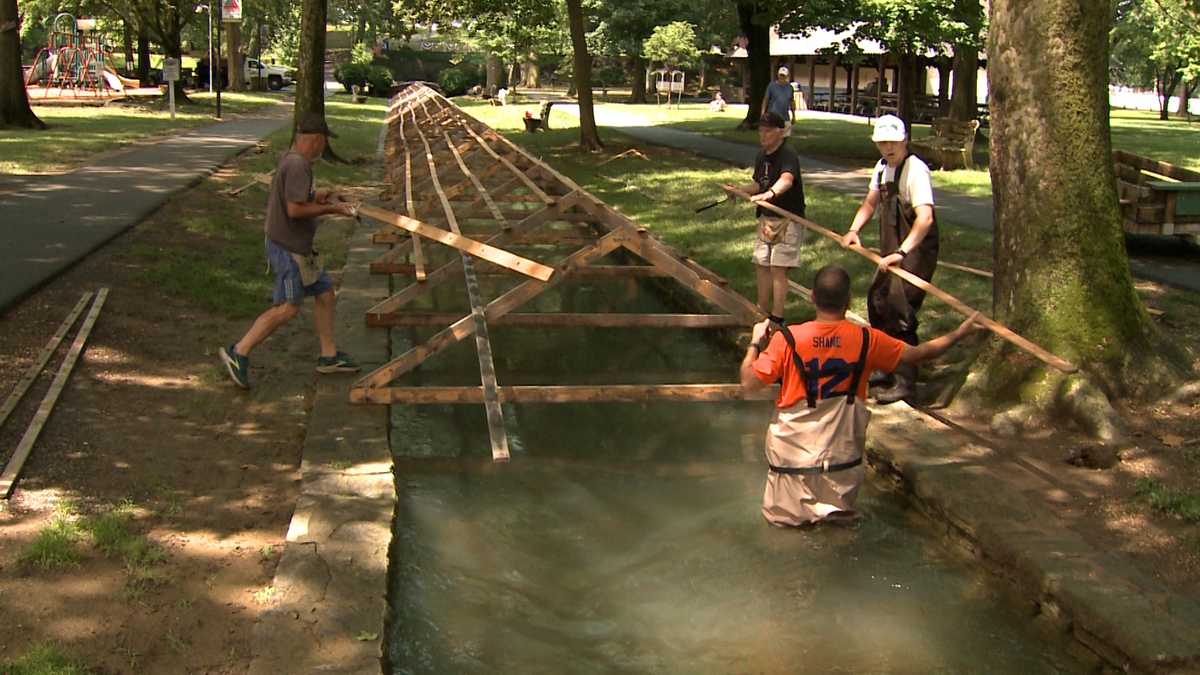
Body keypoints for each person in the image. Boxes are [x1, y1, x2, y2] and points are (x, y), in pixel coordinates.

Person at [739, 265, 980, 527]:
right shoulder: (866, 339)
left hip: (793, 460)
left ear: (812, 297)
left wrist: (755, 342)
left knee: (785, 530)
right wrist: (960, 333)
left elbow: (748, 383)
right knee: (838, 528)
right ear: (849, 300)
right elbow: (919, 354)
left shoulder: (788, 340)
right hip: (841, 459)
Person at [219, 113, 360, 389]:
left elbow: (296, 198)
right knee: (287, 308)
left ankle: (329, 356)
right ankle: (239, 352)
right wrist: (333, 209)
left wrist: (319, 197)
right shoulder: (298, 165)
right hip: (288, 250)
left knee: (325, 294)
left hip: (300, 249)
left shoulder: (293, 159)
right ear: (317, 139)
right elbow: (295, 210)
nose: (324, 146)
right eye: (324, 141)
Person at [840, 114, 940, 404]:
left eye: (893, 142)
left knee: (900, 309)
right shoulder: (882, 168)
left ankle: (905, 380)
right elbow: (870, 202)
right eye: (882, 143)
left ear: (905, 140)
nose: (888, 148)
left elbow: (925, 219)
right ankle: (886, 366)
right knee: (878, 302)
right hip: (891, 250)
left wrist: (902, 253)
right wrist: (854, 230)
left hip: (915, 251)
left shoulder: (916, 171)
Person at [727, 110, 806, 327]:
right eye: (761, 131)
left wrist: (769, 194)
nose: (763, 135)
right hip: (767, 218)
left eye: (768, 131)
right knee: (761, 263)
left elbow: (787, 180)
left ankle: (777, 318)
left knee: (778, 267)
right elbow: (758, 183)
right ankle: (761, 311)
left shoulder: (788, 154)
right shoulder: (761, 155)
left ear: (781, 132)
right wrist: (739, 190)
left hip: (788, 218)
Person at [761, 66, 796, 135]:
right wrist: (763, 113)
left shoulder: (790, 88)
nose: (782, 77)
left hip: (785, 117)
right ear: (778, 75)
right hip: (773, 116)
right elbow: (766, 99)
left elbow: (791, 102)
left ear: (787, 76)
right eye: (781, 75)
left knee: (785, 135)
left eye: (784, 76)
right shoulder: (771, 86)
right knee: (773, 136)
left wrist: (794, 116)